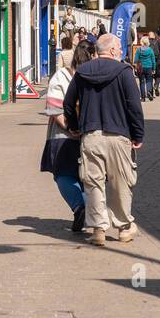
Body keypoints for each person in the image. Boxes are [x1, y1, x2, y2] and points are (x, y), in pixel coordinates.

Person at [63, 34, 145, 247]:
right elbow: (134, 106)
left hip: (91, 135)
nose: (120, 51)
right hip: (118, 136)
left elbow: (68, 103)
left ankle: (98, 228)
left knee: (93, 183)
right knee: (121, 182)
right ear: (111, 50)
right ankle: (124, 228)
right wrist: (138, 134)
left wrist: (74, 127)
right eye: (118, 48)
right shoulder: (124, 72)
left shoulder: (82, 72)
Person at [41, 39, 93, 233]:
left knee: (62, 173)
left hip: (62, 136)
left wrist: (69, 128)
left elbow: (55, 109)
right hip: (88, 134)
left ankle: (80, 207)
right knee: (84, 176)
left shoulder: (60, 77)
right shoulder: (92, 76)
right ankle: (89, 213)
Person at [134, 36, 157, 102]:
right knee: (149, 81)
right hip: (149, 67)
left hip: (141, 68)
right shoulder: (150, 50)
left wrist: (135, 67)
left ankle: (143, 97)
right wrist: (154, 68)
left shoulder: (139, 49)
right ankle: (149, 92)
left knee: (141, 82)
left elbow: (135, 59)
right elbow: (153, 60)